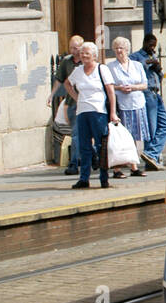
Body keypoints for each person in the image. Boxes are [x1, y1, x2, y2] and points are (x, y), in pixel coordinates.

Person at [64, 41, 117, 189]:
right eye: (82, 53)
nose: (84, 56)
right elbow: (67, 83)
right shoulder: (78, 70)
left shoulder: (102, 69)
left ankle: (104, 178)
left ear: (94, 55)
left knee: (101, 145)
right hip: (82, 112)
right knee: (84, 146)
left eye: (87, 53)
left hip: (98, 111)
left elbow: (111, 92)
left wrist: (112, 112)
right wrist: (76, 97)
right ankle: (84, 178)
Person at [107, 37, 149, 177]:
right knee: (122, 137)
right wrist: (120, 87)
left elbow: (145, 84)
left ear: (127, 49)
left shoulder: (137, 65)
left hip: (137, 104)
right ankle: (117, 169)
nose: (119, 51)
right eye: (116, 48)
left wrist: (133, 87)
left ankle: (134, 166)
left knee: (136, 136)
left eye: (121, 48)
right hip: (121, 105)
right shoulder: (111, 67)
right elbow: (109, 86)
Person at [130, 33, 166, 169]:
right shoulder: (136, 56)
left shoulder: (153, 56)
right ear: (145, 43)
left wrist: (158, 70)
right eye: (150, 45)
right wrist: (148, 63)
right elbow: (131, 67)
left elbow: (160, 76)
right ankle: (151, 160)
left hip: (155, 93)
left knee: (165, 124)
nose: (152, 48)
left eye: (154, 46)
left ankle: (151, 154)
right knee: (151, 128)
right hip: (146, 93)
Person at [48, 35, 83, 173]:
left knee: (90, 133)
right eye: (71, 48)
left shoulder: (88, 62)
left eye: (76, 48)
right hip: (72, 104)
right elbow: (60, 79)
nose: (73, 51)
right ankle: (74, 163)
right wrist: (51, 95)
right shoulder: (66, 62)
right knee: (75, 133)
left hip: (89, 104)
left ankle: (93, 157)